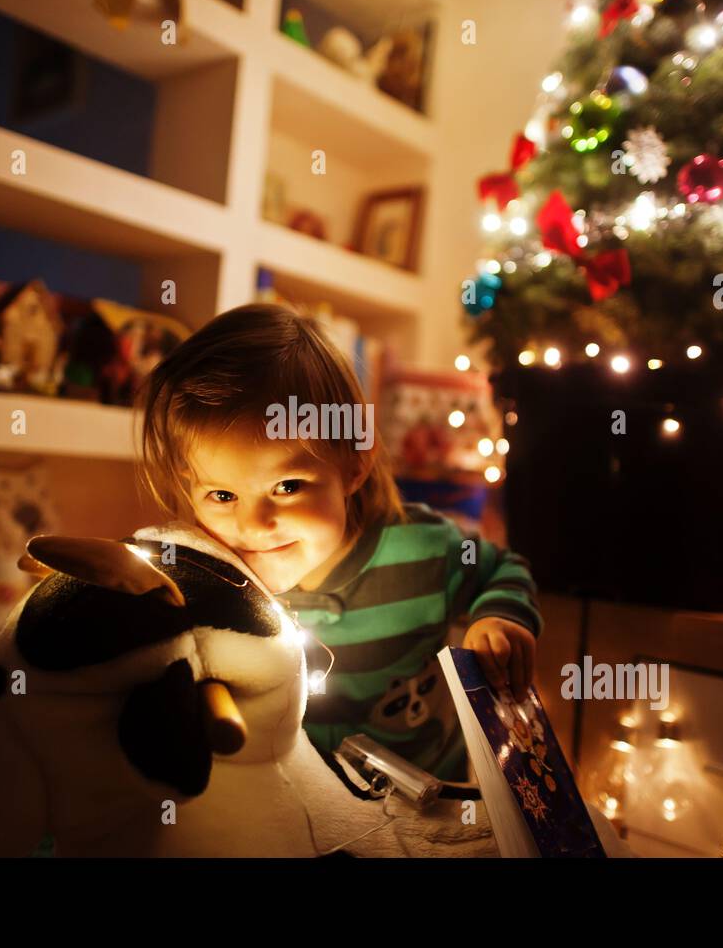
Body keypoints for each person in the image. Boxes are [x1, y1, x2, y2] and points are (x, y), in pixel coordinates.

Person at [135, 304, 541, 780]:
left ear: (353, 465)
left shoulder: (421, 549)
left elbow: (501, 568)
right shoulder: (213, 573)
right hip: (292, 814)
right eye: (222, 495)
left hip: (427, 814)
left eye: (287, 486)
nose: (254, 525)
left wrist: (500, 618)